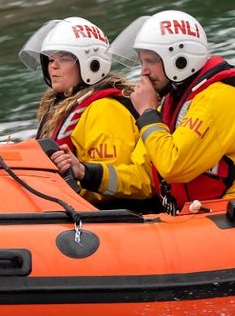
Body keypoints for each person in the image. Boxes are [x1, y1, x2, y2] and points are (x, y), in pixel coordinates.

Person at [127, 9, 235, 209]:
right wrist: (87, 173)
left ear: (180, 59)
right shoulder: (172, 101)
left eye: (151, 61)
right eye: (142, 61)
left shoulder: (218, 98)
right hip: (203, 212)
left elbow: (173, 165)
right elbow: (144, 173)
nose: (143, 71)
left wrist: (147, 113)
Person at [20, 16, 156, 210]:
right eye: (50, 58)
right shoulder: (61, 106)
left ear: (92, 63)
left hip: (116, 218)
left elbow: (118, 183)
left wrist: (77, 173)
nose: (53, 65)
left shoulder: (104, 109)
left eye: (64, 58)